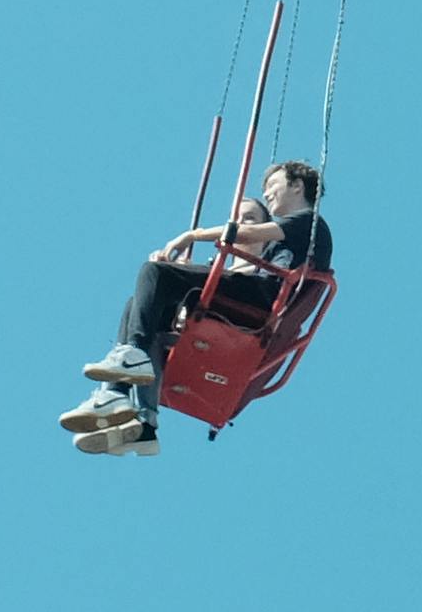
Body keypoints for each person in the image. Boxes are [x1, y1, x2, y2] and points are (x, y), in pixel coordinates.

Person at [65, 158, 336, 450]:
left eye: (273, 185)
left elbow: (245, 235)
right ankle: (136, 416)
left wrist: (192, 236)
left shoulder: (308, 221)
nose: (268, 194)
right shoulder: (286, 242)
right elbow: (248, 259)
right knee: (143, 305)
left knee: (154, 273)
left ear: (297, 186)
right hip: (259, 297)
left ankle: (128, 364)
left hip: (261, 300)